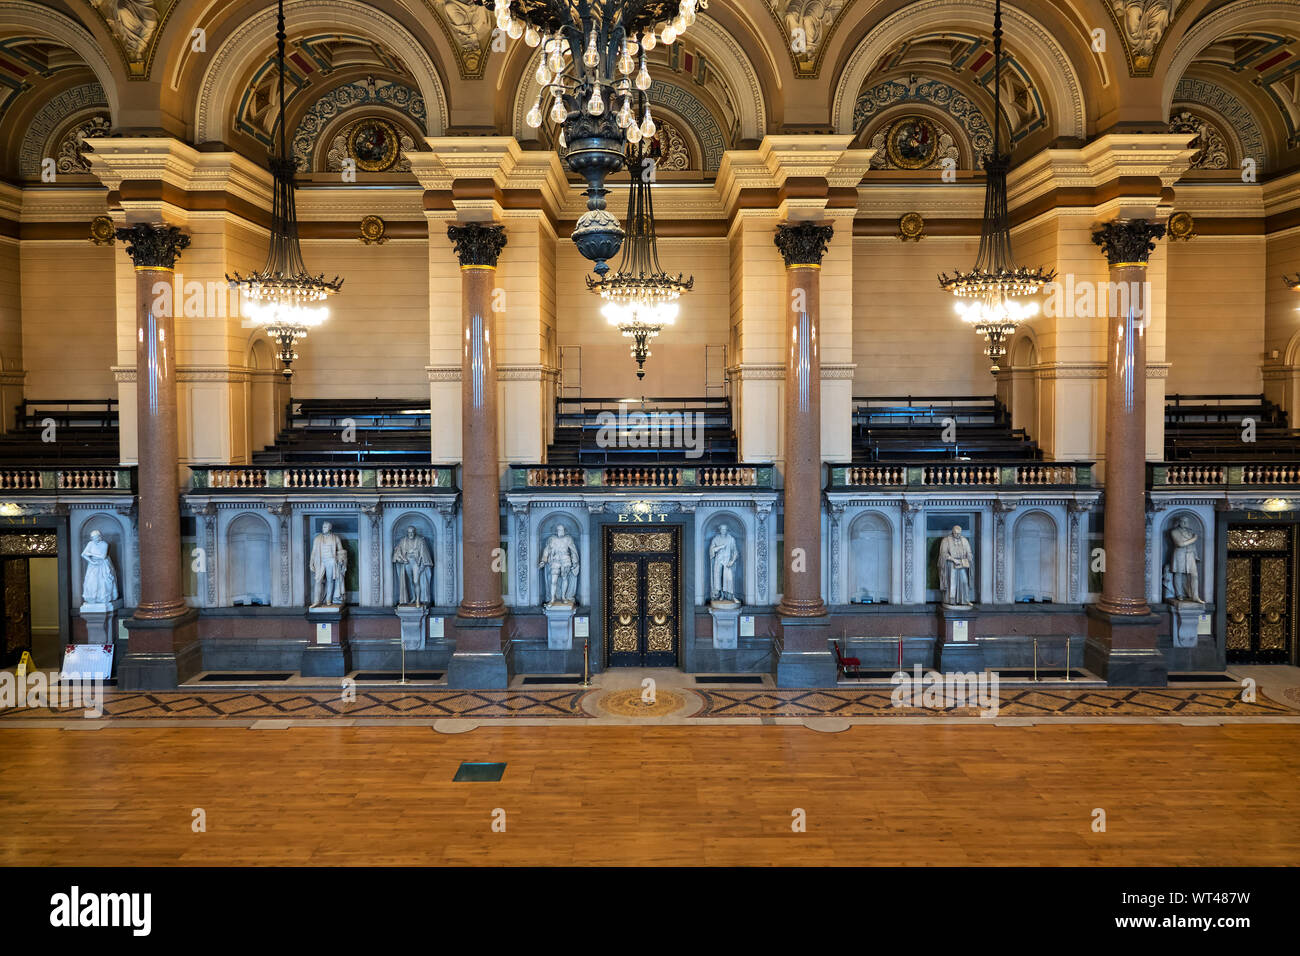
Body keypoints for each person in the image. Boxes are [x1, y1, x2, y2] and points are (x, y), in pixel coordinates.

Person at [392, 525, 435, 605]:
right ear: (407, 533)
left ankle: (418, 599)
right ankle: (414, 597)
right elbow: (397, 552)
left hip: (416, 563)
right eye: (409, 532)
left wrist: (422, 564)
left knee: (416, 581)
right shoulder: (403, 541)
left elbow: (424, 554)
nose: (411, 534)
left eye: (412, 532)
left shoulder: (420, 541)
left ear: (415, 532)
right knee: (410, 581)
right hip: (407, 563)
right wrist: (401, 559)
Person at [538, 525, 579, 605]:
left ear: (564, 530)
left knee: (564, 578)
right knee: (553, 580)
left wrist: (575, 562)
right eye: (559, 530)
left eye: (562, 530)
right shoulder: (552, 539)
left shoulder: (568, 539)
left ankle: (563, 597)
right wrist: (543, 560)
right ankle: (552, 598)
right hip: (555, 561)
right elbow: (547, 550)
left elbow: (573, 551)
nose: (561, 531)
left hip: (566, 560)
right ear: (556, 531)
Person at [310, 522, 348, 606]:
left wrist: (341, 559)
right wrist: (311, 563)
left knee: (330, 580)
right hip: (320, 561)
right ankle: (316, 601)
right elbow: (314, 552)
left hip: (331, 560)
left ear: (330, 528)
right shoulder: (317, 538)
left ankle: (328, 600)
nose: (323, 528)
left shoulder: (335, 538)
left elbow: (341, 550)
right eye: (323, 527)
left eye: (325, 527)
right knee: (318, 580)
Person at [80, 530, 119, 606]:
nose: (94, 539)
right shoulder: (90, 544)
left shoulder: (104, 544)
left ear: (100, 537)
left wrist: (90, 553)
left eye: (96, 537)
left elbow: (103, 556)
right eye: (93, 538)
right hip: (93, 565)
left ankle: (103, 597)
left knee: (103, 581)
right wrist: (91, 561)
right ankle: (93, 598)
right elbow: (83, 554)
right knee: (91, 581)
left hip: (103, 565)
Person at [938, 525, 973, 606]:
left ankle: (964, 600)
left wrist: (968, 558)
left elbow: (969, 552)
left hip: (962, 563)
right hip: (951, 564)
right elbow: (943, 554)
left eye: (959, 533)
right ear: (952, 532)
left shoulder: (964, 540)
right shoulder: (946, 540)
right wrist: (953, 560)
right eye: (956, 534)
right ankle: (951, 601)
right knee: (952, 582)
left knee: (964, 581)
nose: (958, 535)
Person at [1168, 516, 1201, 602]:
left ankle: (1195, 596)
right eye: (1183, 521)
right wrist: (1194, 539)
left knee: (1194, 575)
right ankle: (1179, 594)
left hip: (1190, 555)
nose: (1185, 523)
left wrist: (1196, 555)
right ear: (1179, 522)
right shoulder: (1174, 531)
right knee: (1179, 573)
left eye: (1186, 521)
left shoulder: (1190, 532)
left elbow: (1193, 545)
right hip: (1179, 554)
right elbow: (1180, 544)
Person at [709, 524, 740, 603]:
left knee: (729, 579)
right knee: (718, 578)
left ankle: (732, 596)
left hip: (727, 561)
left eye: (725, 529)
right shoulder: (716, 539)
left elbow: (735, 552)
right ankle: (721, 594)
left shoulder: (731, 539)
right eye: (722, 529)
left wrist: (732, 561)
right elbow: (711, 551)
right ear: (720, 530)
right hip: (718, 561)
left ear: (727, 530)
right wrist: (720, 547)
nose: (724, 531)